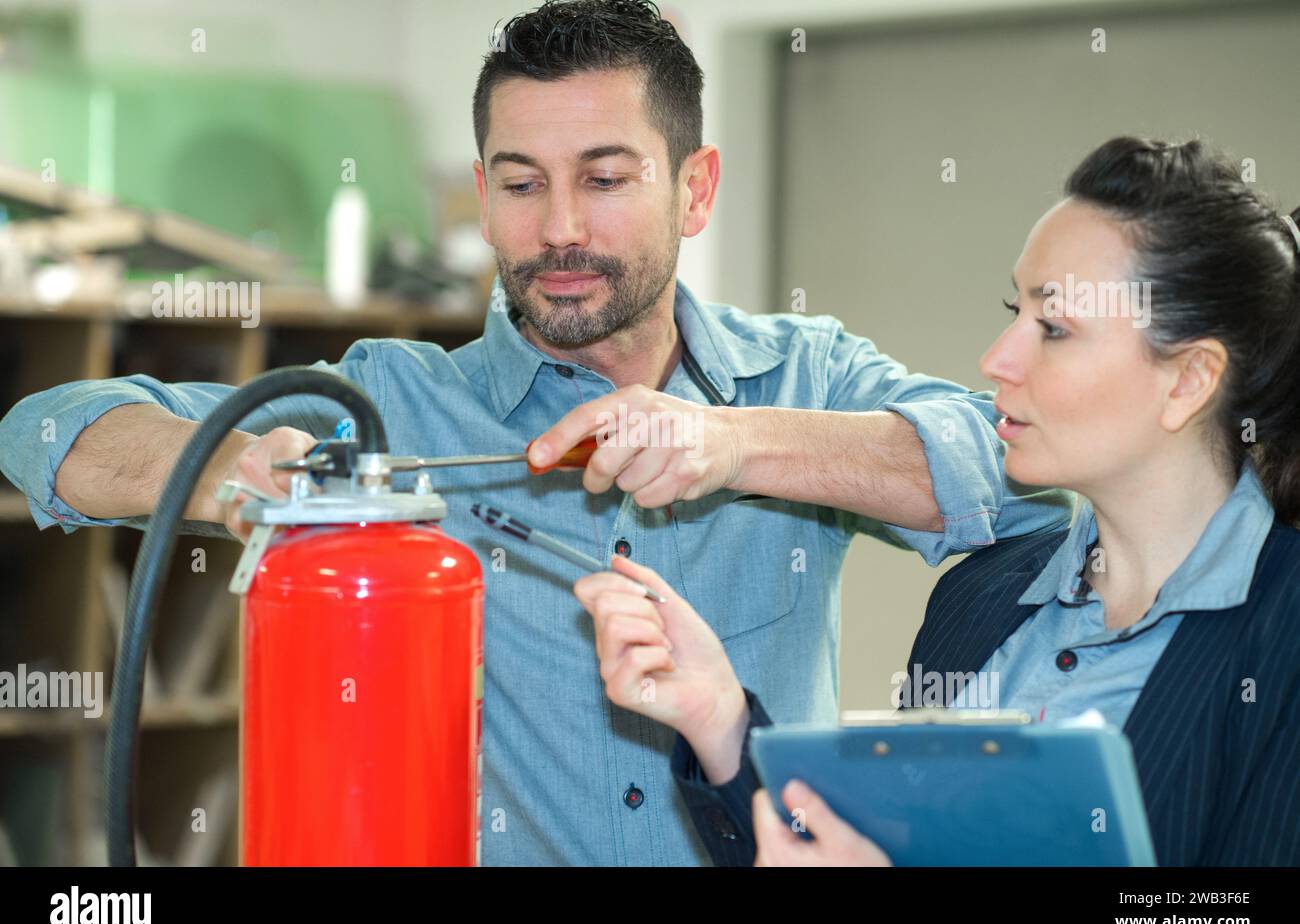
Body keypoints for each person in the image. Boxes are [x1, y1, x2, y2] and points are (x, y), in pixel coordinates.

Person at [0, 0, 1069, 865]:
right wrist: (229, 463)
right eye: (520, 183)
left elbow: (1018, 472)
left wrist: (735, 444)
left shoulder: (805, 374)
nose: (559, 227)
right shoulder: (394, 402)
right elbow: (42, 430)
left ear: (694, 189)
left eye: (604, 179)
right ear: (481, 193)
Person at [577, 135, 1300, 867]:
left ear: (1187, 380)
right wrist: (719, 718)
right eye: (1015, 310)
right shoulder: (982, 596)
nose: (997, 360)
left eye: (1053, 328)